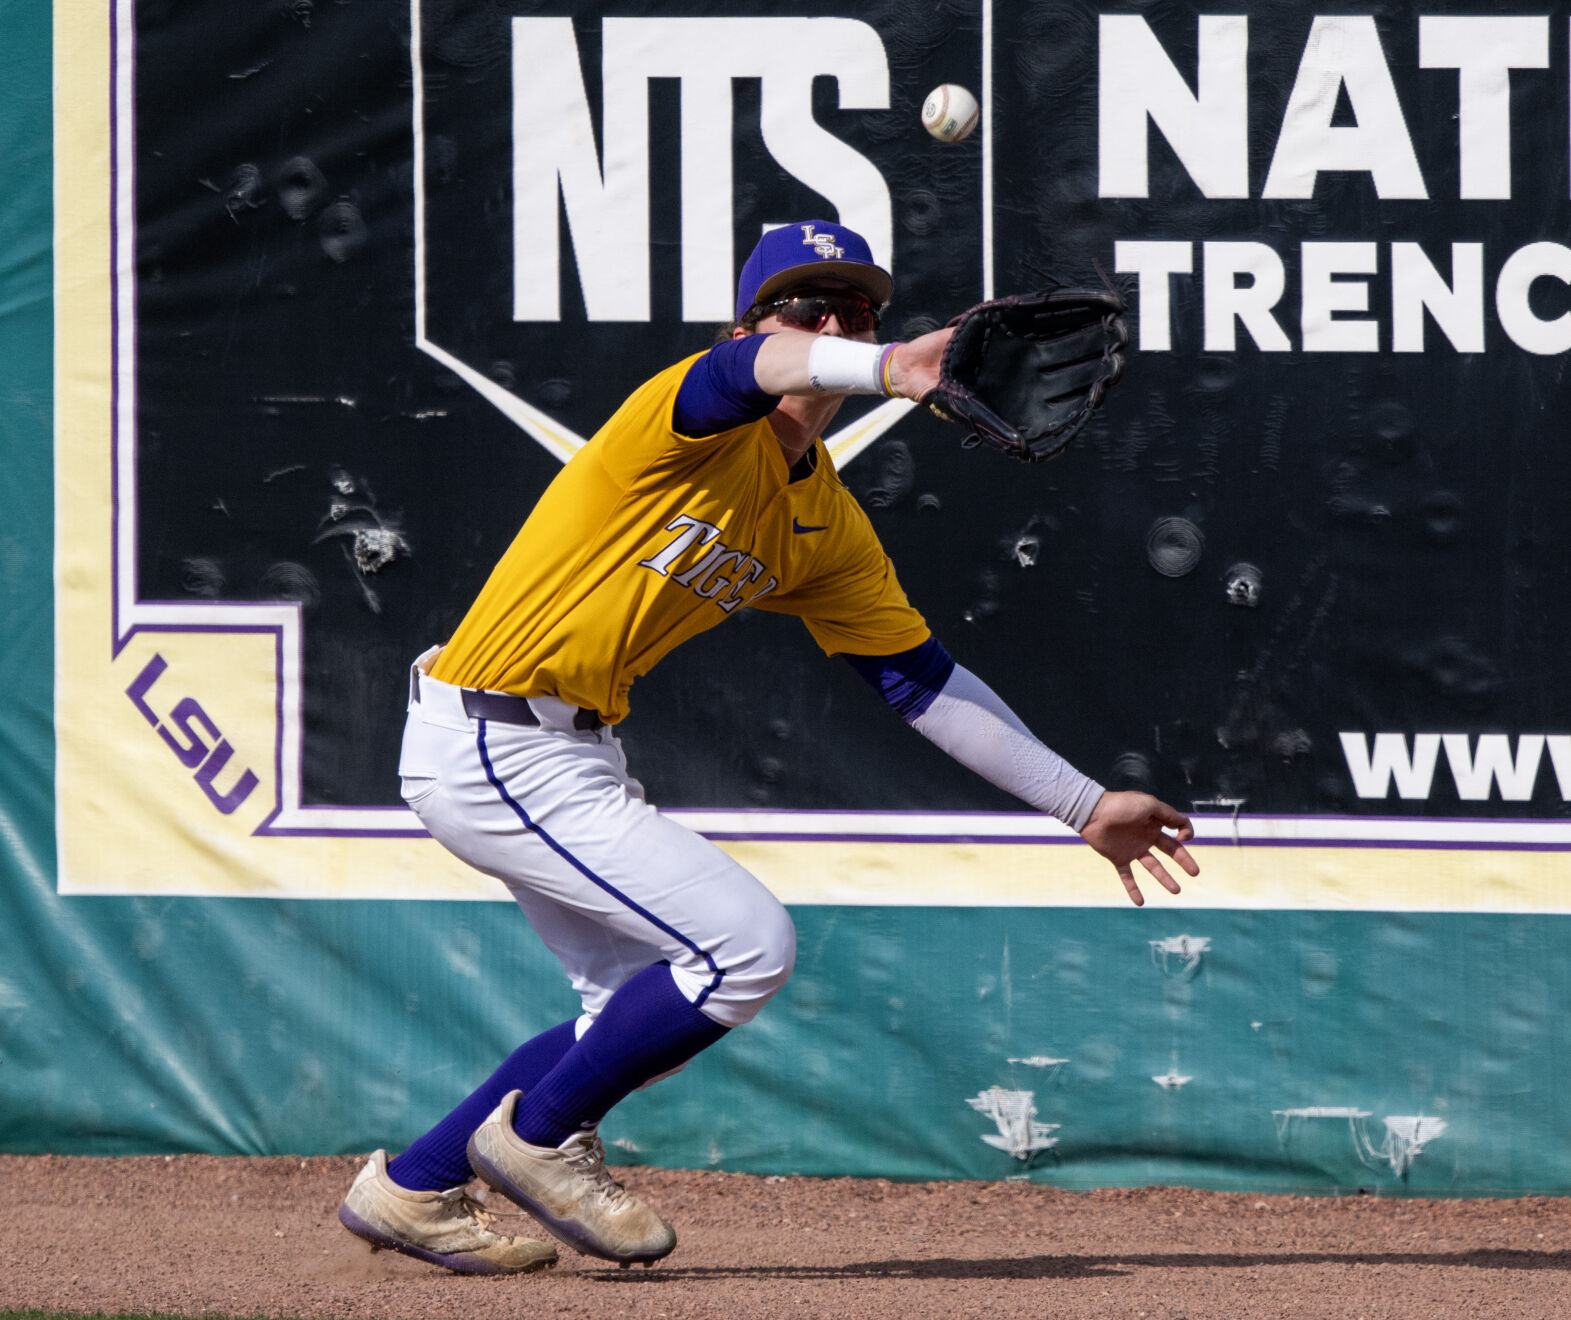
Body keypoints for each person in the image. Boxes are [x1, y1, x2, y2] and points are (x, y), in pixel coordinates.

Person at [337, 220, 1199, 1274]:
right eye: (807, 305)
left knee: (624, 1015)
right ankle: (531, 1139)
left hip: (563, 751)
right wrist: (885, 364)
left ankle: (415, 1188)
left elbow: (917, 682)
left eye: (858, 308)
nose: (833, 321)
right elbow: (748, 373)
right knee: (743, 945)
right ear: (749, 324)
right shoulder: (685, 419)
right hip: (491, 738)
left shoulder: (820, 521)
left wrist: (1079, 803)